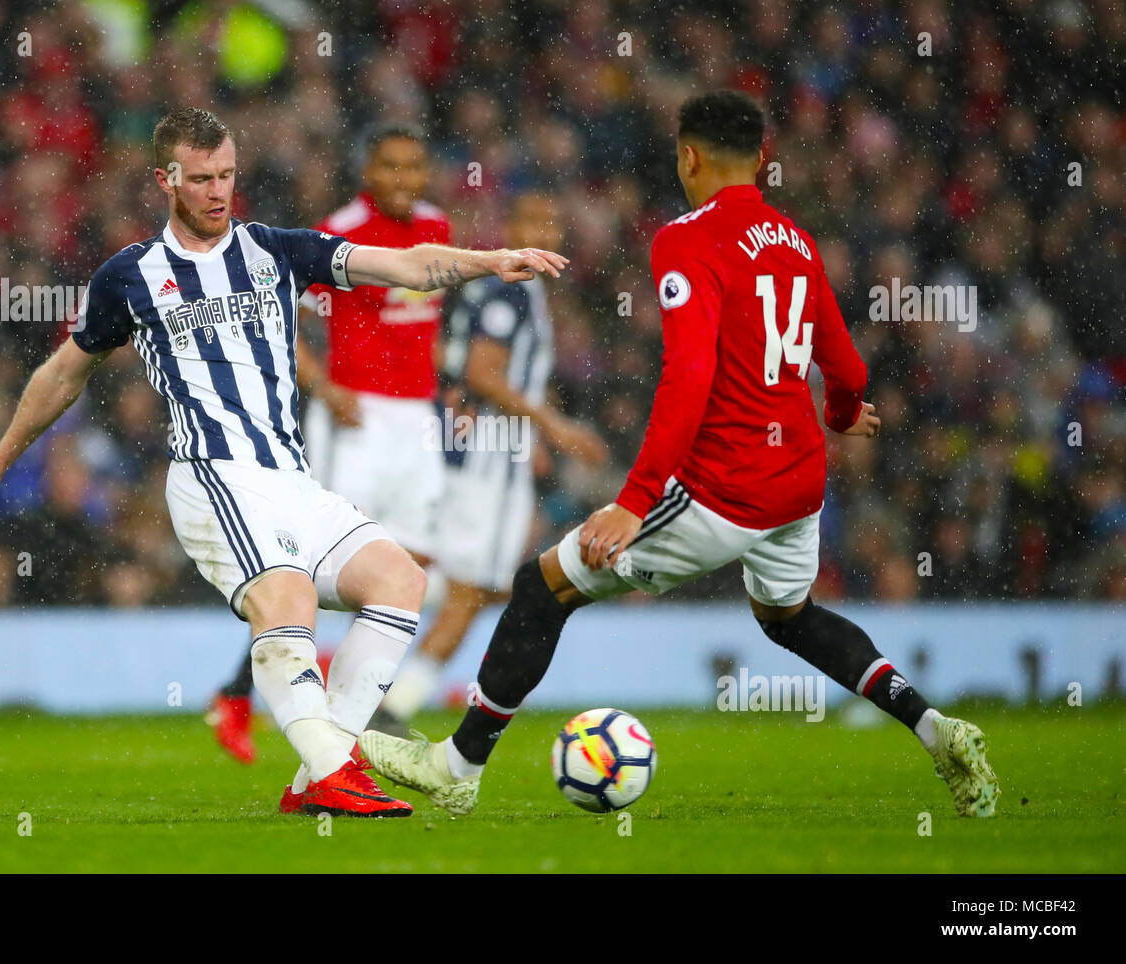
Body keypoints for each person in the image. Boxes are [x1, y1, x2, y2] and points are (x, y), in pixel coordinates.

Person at [358, 90, 1000, 819]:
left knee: (541, 589)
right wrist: (844, 414)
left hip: (725, 485)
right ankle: (933, 725)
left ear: (689, 156)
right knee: (789, 616)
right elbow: (847, 368)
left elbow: (689, 376)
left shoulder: (686, 239)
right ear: (762, 159)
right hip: (799, 481)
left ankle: (457, 767)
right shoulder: (797, 241)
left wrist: (634, 503)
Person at [0, 107, 568, 818]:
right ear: (165, 180)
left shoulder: (275, 250)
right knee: (287, 598)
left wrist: (488, 262)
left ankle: (313, 781)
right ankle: (331, 770)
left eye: (227, 175)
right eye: (201, 178)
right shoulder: (131, 275)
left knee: (400, 580)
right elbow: (62, 375)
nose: (216, 191)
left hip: (288, 478)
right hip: (211, 475)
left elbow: (405, 264)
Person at [207, 123, 451, 763]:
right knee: (313, 565)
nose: (404, 178)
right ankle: (239, 696)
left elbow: (425, 322)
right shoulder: (340, 229)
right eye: (390, 165)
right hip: (355, 419)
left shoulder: (438, 229)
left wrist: (447, 388)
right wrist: (320, 385)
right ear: (368, 172)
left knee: (407, 566)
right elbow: (276, 317)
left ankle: (349, 715)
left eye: (414, 166)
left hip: (418, 419)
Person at [369, 190, 606, 735]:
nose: (542, 235)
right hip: (488, 467)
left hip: (475, 452)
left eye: (550, 224)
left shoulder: (506, 288)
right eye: (530, 222)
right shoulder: (511, 289)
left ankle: (379, 611)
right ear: (510, 228)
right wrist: (557, 427)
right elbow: (483, 372)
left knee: (478, 584)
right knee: (474, 590)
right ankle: (392, 711)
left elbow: (451, 360)